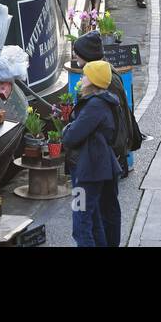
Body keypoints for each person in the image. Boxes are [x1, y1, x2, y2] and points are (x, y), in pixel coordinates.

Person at [62, 60, 124, 247]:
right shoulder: (104, 101)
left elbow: (72, 136)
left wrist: (66, 129)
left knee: (81, 223)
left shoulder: (95, 105)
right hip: (96, 168)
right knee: (94, 221)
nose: (82, 78)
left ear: (93, 80)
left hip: (87, 171)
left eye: (85, 75)